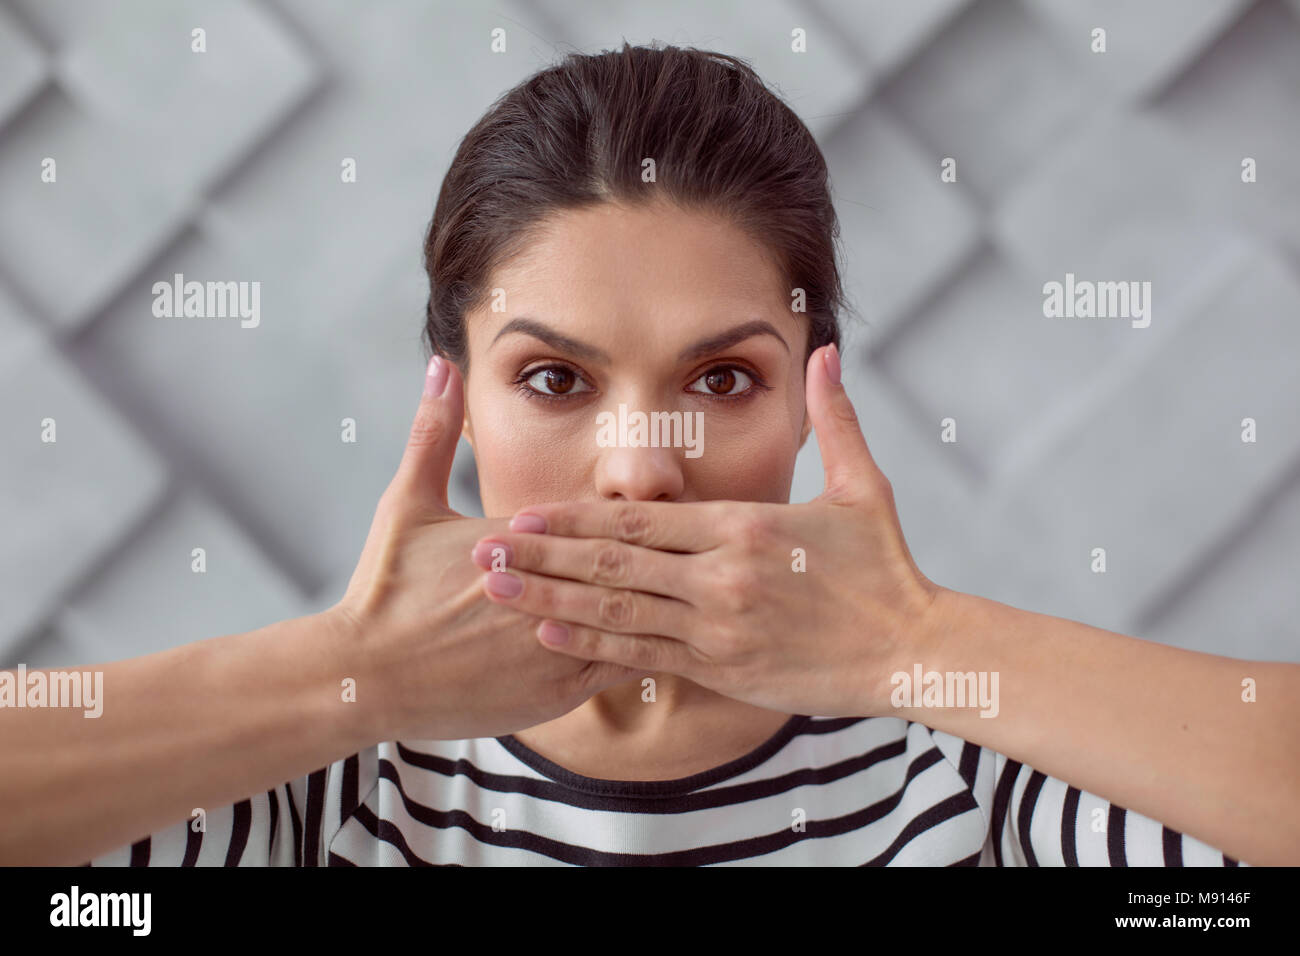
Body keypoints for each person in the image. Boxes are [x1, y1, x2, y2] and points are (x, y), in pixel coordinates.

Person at [4, 43, 1295, 867]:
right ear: (455, 402)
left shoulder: (970, 785)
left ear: (809, 400)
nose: (640, 473)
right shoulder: (307, 791)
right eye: (555, 380)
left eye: (721, 379)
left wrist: (910, 647)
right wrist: (353, 674)